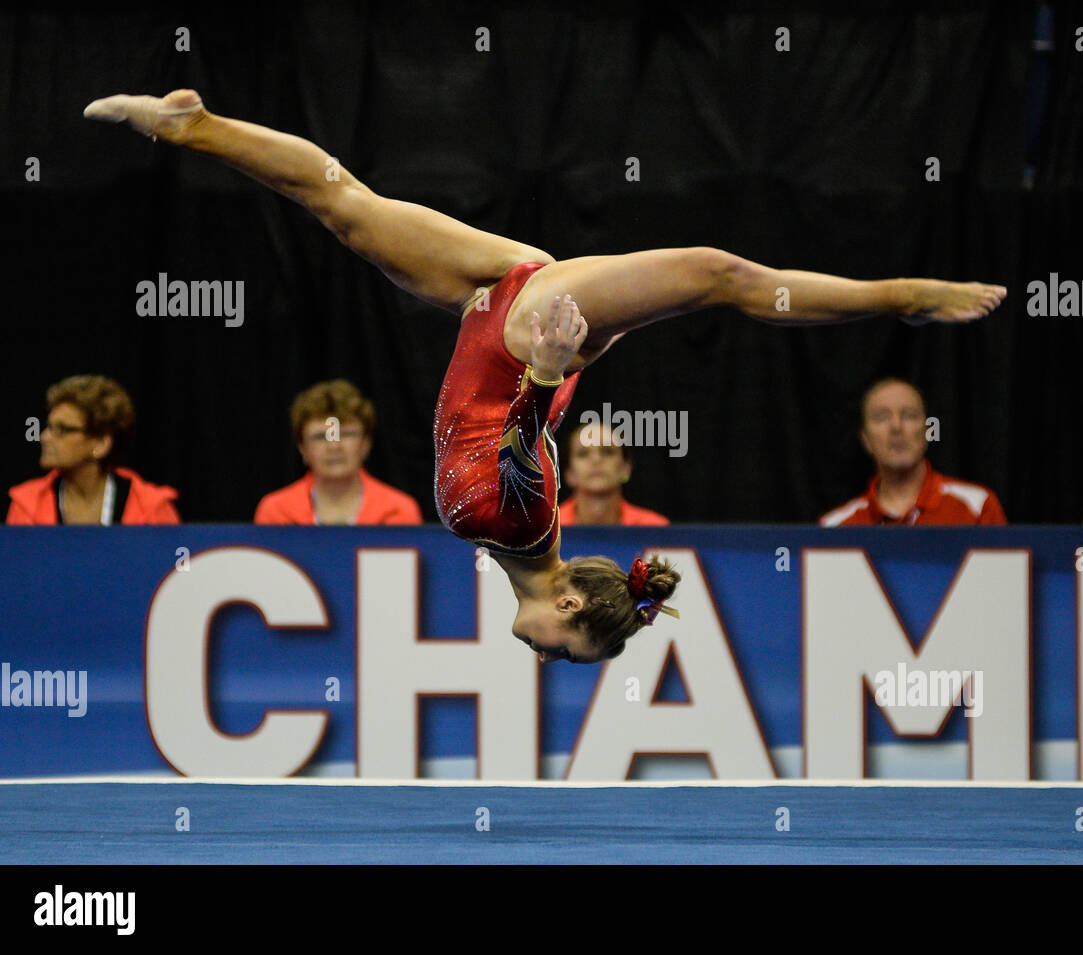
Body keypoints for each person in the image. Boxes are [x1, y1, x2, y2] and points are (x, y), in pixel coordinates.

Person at [85, 89, 1007, 661]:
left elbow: (521, 449)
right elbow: (522, 451)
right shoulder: (517, 527)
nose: (545, 657)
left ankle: (192, 125)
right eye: (566, 650)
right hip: (525, 333)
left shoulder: (509, 543)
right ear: (570, 601)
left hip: (506, 320)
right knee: (725, 278)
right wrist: (547, 367)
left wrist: (552, 378)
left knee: (342, 202)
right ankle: (903, 293)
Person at [820, 378, 1006, 526]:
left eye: (909, 415)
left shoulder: (978, 507)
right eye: (881, 417)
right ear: (865, 439)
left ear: (927, 432)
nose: (896, 427)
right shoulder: (836, 527)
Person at [7, 374, 180, 525]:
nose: (44, 437)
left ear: (101, 444)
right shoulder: (26, 506)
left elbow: (170, 563)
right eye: (49, 427)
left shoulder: (152, 508)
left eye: (62, 430)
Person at [255, 379, 422, 525]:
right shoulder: (276, 512)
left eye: (346, 434)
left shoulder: (398, 511)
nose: (334, 446)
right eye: (320, 437)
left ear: (366, 443)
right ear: (302, 447)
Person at [558, 421, 669, 526]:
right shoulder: (545, 530)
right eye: (583, 454)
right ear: (569, 473)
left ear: (626, 469)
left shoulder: (655, 528)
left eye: (607, 452)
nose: (596, 459)